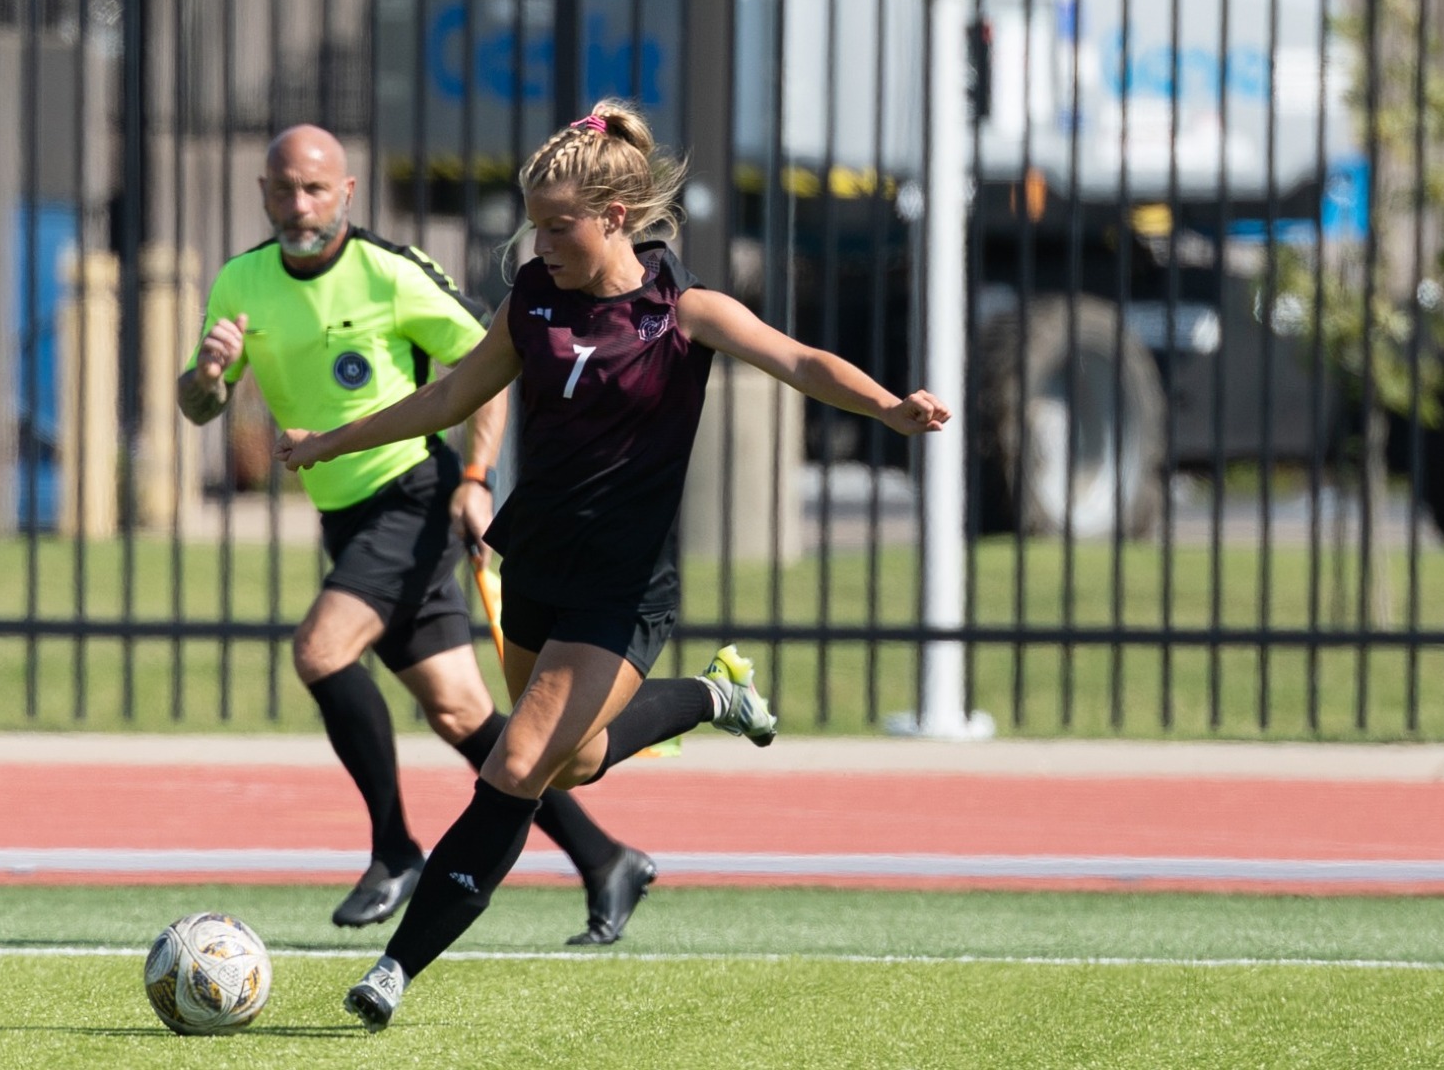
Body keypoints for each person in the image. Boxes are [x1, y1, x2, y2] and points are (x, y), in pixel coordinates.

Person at [274, 98, 952, 1032]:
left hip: (621, 586)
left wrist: (888, 408)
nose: (539, 242)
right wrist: (332, 442)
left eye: (557, 226)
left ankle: (393, 968)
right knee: (572, 762)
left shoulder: (687, 312)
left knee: (514, 760)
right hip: (537, 564)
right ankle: (715, 698)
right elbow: (443, 399)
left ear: (615, 219)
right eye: (533, 224)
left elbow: (798, 360)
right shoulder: (531, 302)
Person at [179, 123, 661, 945]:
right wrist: (210, 377)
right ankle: (605, 856)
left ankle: (394, 849)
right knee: (464, 715)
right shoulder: (240, 282)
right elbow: (197, 406)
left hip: (410, 499)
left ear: (346, 193)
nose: (298, 205)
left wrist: (474, 483)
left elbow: (485, 370)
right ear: (262, 194)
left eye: (314, 189)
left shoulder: (389, 273)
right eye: (282, 189)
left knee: (321, 650)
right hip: (343, 519)